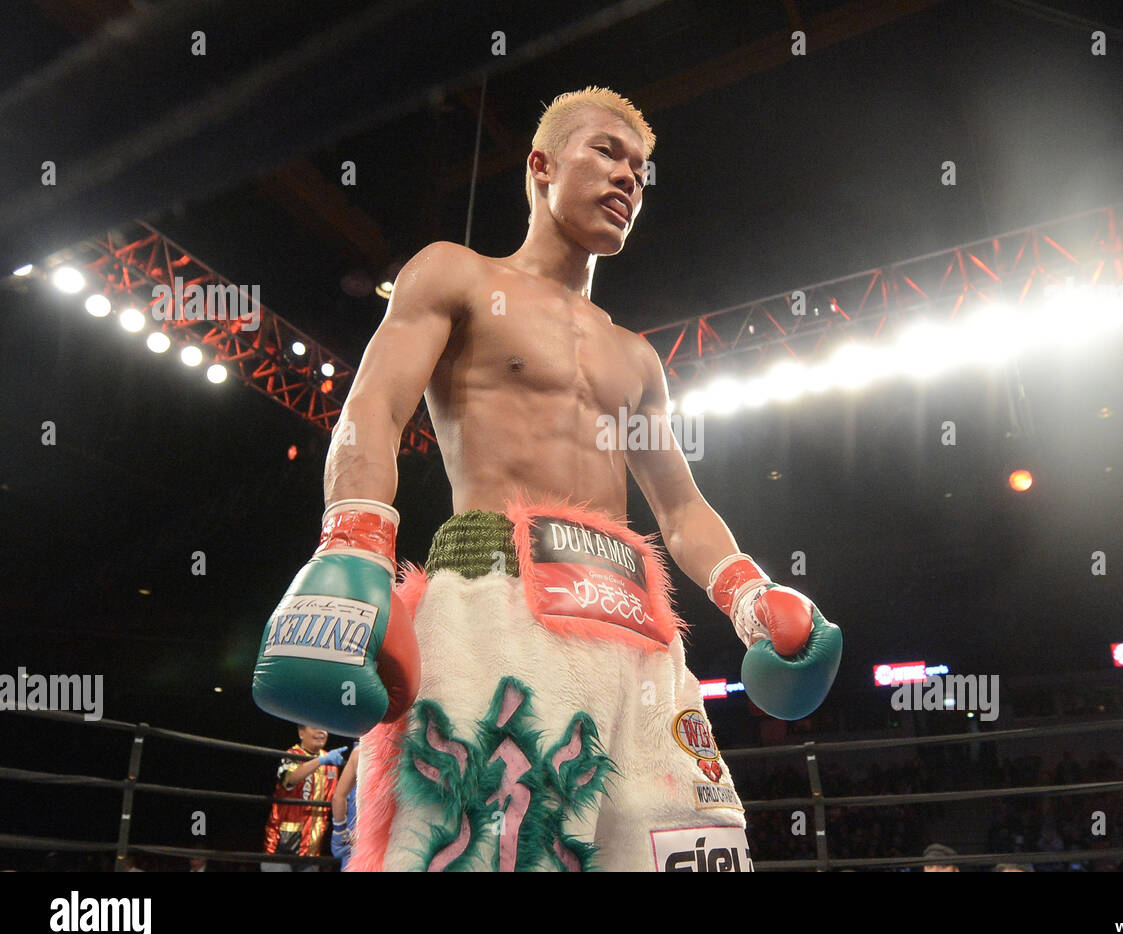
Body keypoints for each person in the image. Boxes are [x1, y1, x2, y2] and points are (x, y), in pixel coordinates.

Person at [253, 86, 842, 872]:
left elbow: (679, 507)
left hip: (635, 619)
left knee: (686, 849)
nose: (631, 177)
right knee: (488, 852)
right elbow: (374, 409)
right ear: (540, 165)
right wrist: (354, 535)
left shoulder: (634, 356)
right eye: (607, 151)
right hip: (498, 594)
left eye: (641, 167)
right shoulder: (454, 275)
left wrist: (747, 593)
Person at [260, 725, 346, 872]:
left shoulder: (331, 762)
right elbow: (290, 779)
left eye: (324, 728)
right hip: (281, 847)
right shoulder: (291, 755)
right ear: (301, 733)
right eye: (315, 727)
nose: (321, 732)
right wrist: (320, 761)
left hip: (312, 847)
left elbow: (338, 797)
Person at [330, 741, 360, 871]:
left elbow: (338, 797)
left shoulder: (359, 753)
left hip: (360, 838)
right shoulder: (409, 754)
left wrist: (340, 831)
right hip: (397, 838)